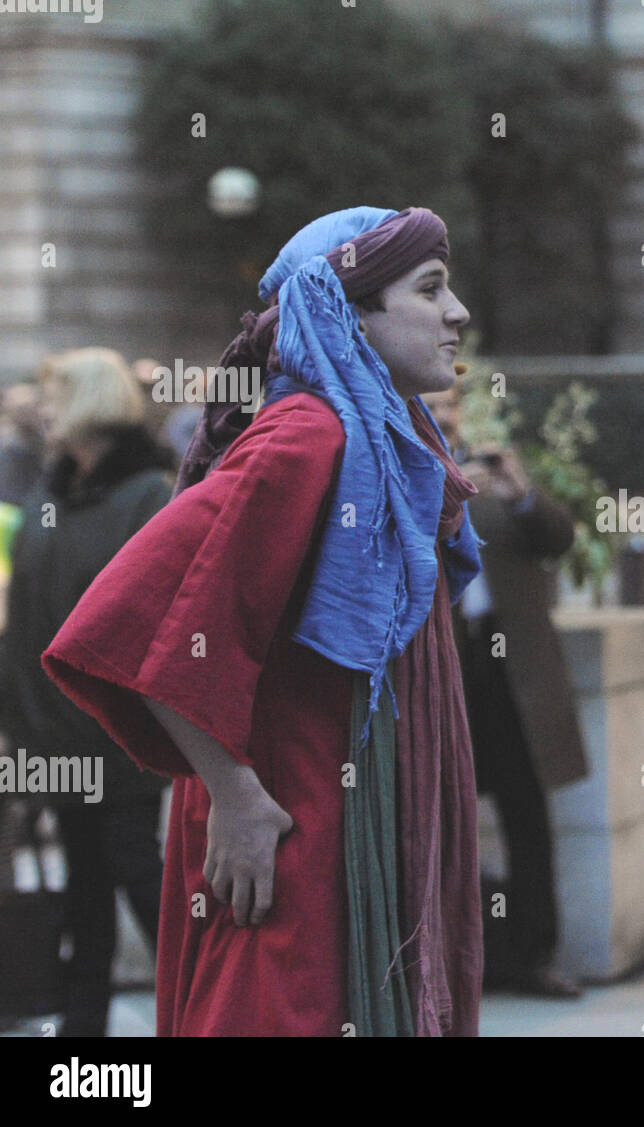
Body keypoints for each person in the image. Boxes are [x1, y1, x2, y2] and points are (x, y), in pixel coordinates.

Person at [42, 207, 484, 1037]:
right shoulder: (307, 437)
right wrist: (236, 795)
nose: (457, 312)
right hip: (298, 829)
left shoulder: (383, 438)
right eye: (430, 288)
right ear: (344, 313)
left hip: (348, 819)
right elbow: (131, 614)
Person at [2, 349, 174, 1036]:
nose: (43, 408)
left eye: (57, 394)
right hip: (53, 726)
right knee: (85, 888)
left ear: (91, 402)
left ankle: (206, 1007)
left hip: (120, 725)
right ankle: (83, 1039)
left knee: (139, 868)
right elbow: (29, 609)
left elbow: (154, 611)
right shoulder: (51, 492)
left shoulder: (148, 493)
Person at [428, 385, 588, 997]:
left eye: (452, 407)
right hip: (444, 666)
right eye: (434, 407)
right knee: (440, 815)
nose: (445, 417)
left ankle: (532, 954)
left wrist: (521, 496)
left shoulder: (495, 473)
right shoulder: (407, 468)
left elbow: (560, 540)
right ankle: (447, 953)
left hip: (510, 665)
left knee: (527, 813)